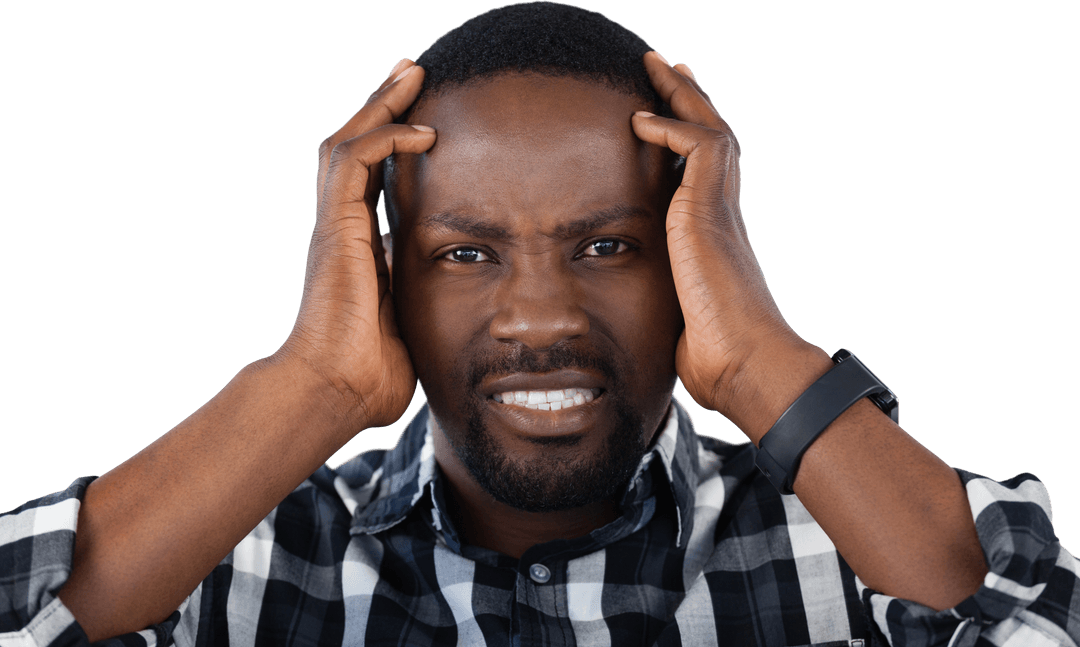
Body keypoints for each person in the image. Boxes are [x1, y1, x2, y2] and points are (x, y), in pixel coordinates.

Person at [1, 3, 1076, 646]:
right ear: (385, 282)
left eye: (608, 245)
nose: (539, 316)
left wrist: (760, 360)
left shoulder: (852, 551)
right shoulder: (235, 561)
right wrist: (310, 385)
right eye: (463, 254)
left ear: (694, 262)